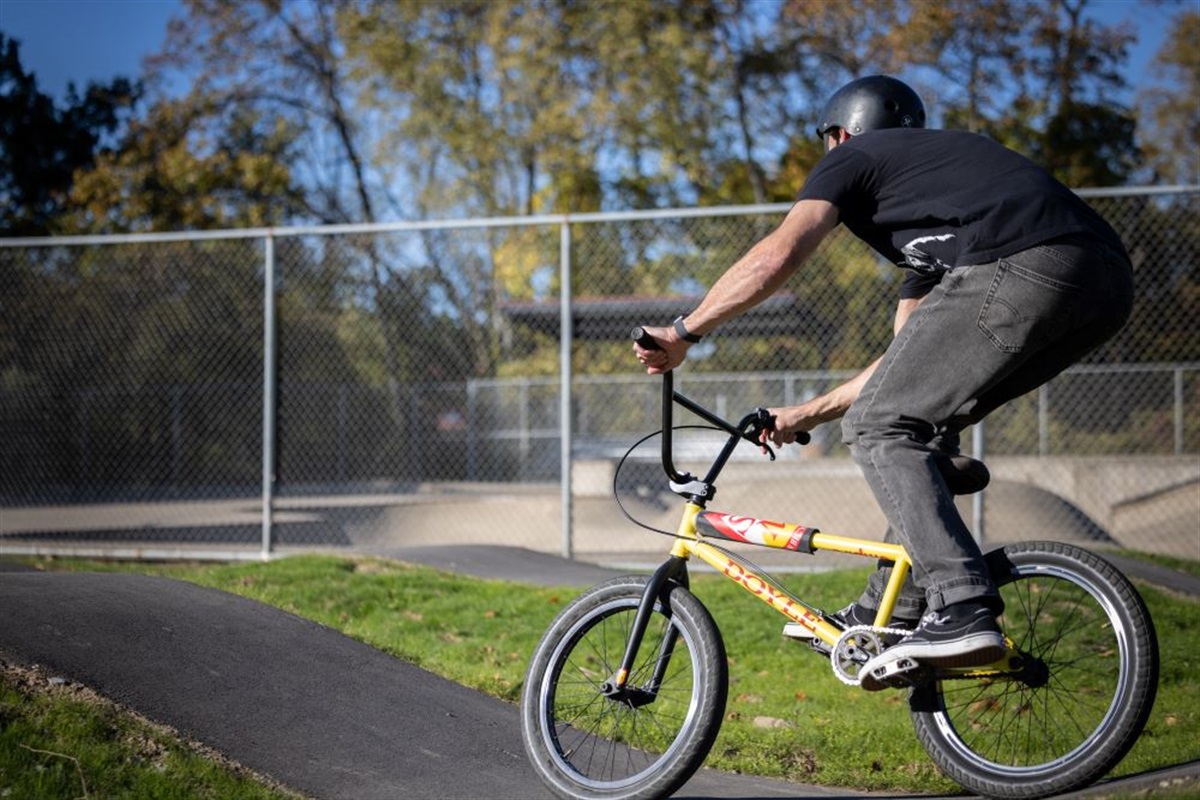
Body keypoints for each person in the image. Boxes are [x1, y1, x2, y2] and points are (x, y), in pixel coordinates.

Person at [632, 75, 1134, 689]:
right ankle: (889, 610)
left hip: (1025, 261)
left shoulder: (858, 155)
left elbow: (779, 254)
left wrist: (684, 331)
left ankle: (962, 606)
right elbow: (902, 362)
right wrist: (806, 413)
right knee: (913, 426)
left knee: (878, 427)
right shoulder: (939, 211)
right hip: (1103, 284)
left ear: (841, 134)